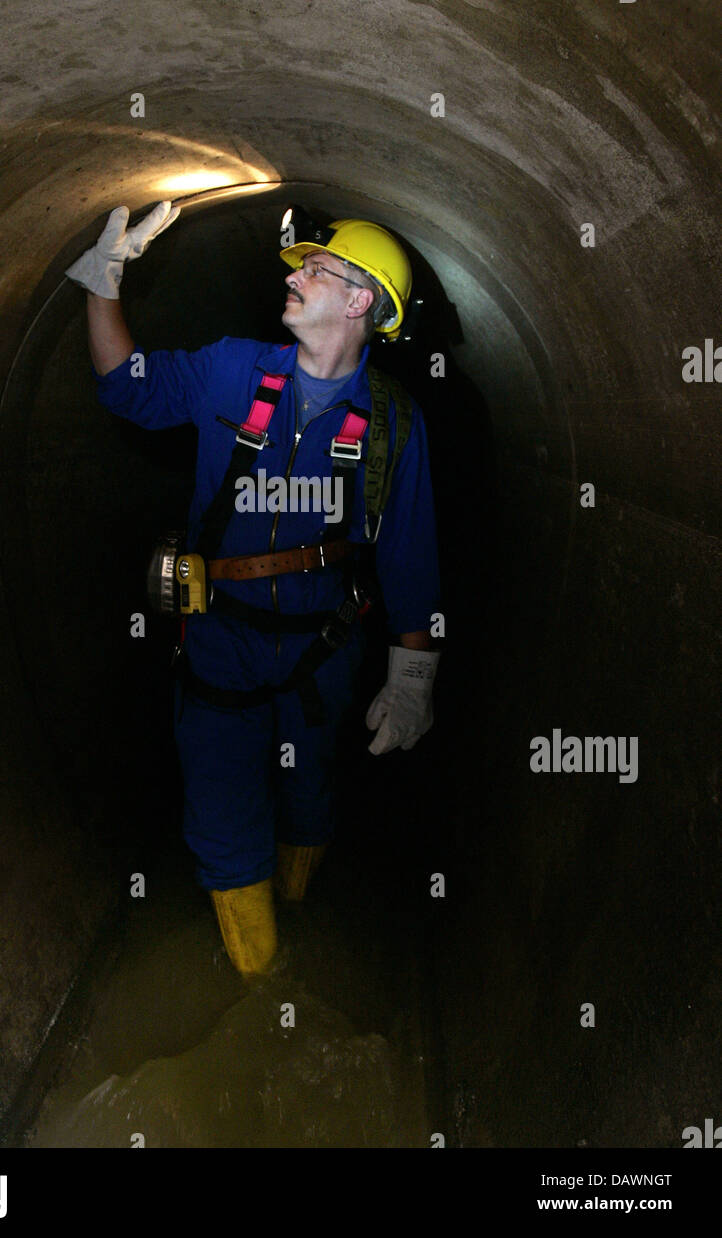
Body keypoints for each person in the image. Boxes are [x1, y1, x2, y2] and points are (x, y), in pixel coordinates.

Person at [66, 201, 442, 981]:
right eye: (301, 266)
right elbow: (126, 387)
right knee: (224, 813)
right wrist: (103, 284)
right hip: (219, 648)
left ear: (361, 300)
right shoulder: (235, 368)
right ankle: (262, 988)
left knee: (310, 793)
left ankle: (304, 910)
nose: (296, 275)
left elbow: (409, 560)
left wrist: (413, 680)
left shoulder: (393, 426)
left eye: (317, 269)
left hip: (325, 652)